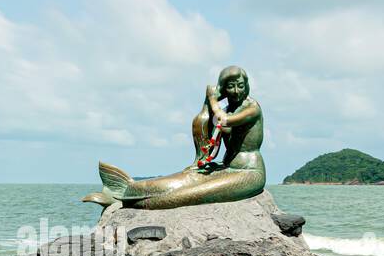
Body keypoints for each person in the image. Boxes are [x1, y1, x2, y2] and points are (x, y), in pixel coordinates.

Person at [83, 65, 266, 209]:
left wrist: (212, 99)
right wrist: (206, 103)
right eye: (230, 86)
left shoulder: (252, 108)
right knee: (180, 180)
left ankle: (128, 203)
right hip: (225, 168)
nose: (236, 91)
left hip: (249, 172)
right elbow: (204, 128)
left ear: (247, 85)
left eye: (240, 85)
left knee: (189, 195)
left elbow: (223, 120)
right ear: (224, 89)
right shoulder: (227, 108)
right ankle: (127, 190)